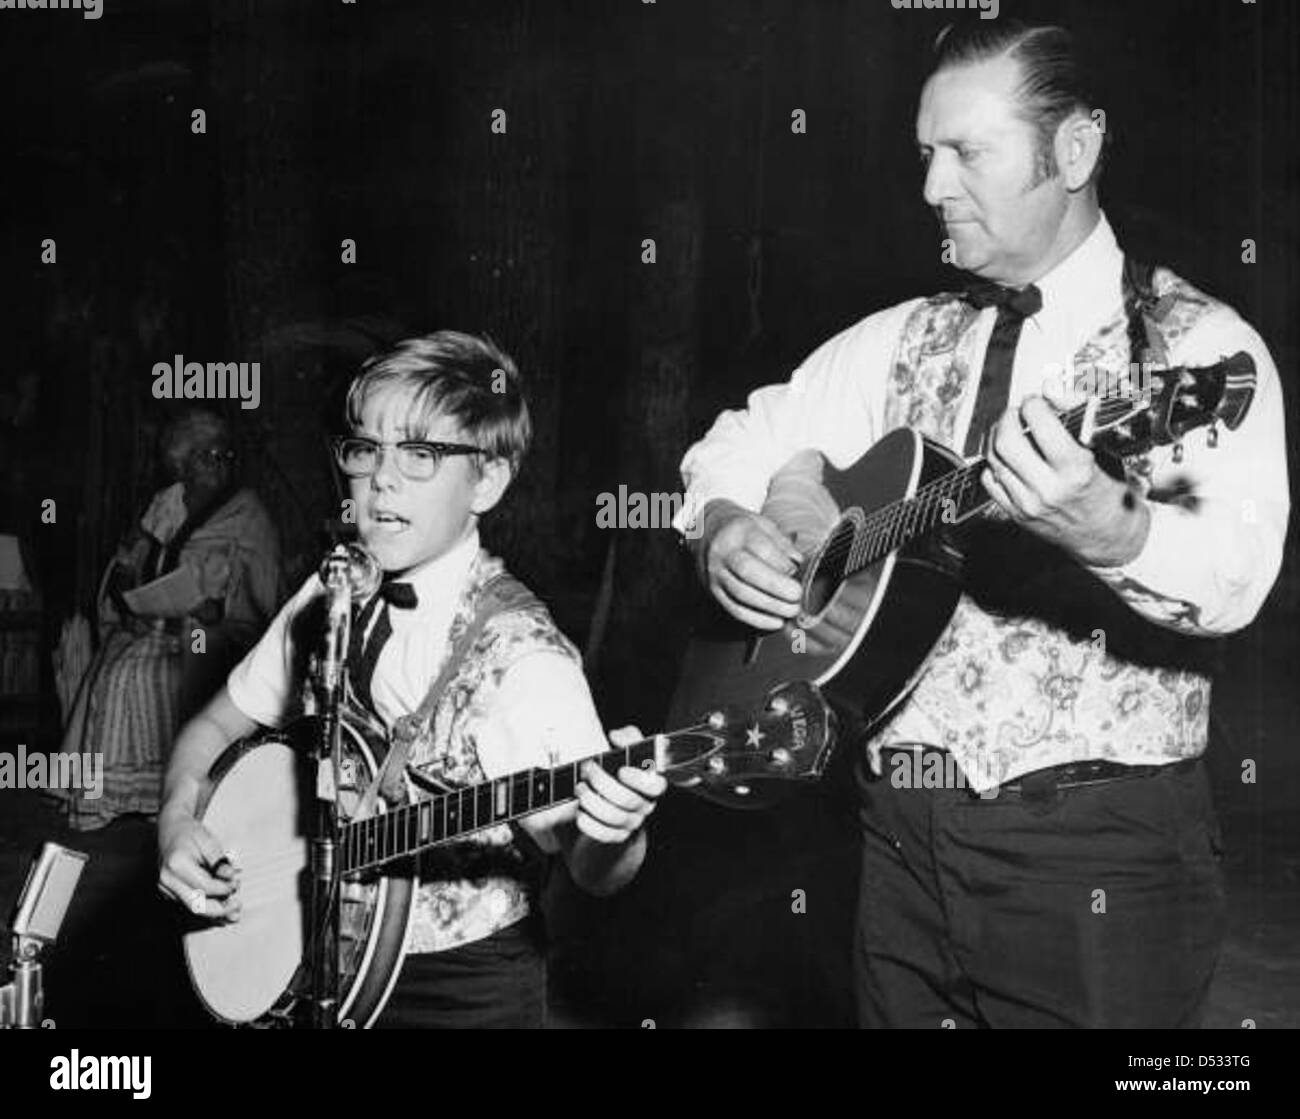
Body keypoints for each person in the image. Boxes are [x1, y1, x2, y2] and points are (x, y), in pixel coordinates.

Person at [676, 21, 1288, 1028]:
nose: (929, 187)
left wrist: (1110, 528)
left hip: (1097, 854)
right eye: (925, 153)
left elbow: (1238, 575)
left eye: (967, 152)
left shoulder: (1193, 350)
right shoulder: (903, 335)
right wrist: (729, 528)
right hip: (893, 841)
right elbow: (741, 439)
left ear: (1074, 151)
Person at [157, 331, 666, 1028]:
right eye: (366, 449)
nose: (381, 479)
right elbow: (215, 723)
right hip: (308, 950)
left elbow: (590, 865)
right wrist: (178, 819)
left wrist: (618, 831)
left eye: (421, 454)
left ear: (487, 479)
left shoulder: (526, 662)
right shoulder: (330, 591)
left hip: (458, 989)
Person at [55, 408, 281, 830]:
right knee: (110, 665)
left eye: (225, 456)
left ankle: (163, 797)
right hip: (160, 625)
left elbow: (261, 592)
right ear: (183, 461)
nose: (219, 464)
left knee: (132, 675)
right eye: (207, 456)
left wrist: (214, 611)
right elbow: (131, 562)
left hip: (210, 634)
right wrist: (132, 588)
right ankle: (108, 796)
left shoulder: (247, 512)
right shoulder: (168, 502)